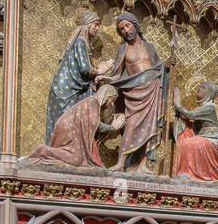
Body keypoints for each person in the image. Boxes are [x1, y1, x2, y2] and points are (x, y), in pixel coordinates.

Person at [98, 12, 166, 173]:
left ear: (134, 25)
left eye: (127, 26)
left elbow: (159, 67)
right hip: (135, 92)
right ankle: (121, 163)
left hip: (154, 89)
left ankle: (143, 165)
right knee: (132, 125)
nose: (125, 31)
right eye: (121, 29)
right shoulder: (123, 48)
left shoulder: (149, 46)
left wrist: (167, 65)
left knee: (151, 127)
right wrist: (104, 77)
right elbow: (118, 73)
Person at [45, 10, 106, 150]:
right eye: (96, 24)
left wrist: (96, 76)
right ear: (86, 24)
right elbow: (85, 69)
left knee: (65, 124)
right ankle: (60, 154)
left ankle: (61, 153)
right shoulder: (80, 41)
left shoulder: (81, 43)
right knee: (67, 124)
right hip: (66, 90)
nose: (98, 28)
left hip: (66, 88)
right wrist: (100, 70)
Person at [29, 83, 124, 168]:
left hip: (69, 129)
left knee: (79, 159)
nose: (112, 104)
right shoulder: (93, 103)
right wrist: (113, 127)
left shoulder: (94, 104)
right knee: (77, 159)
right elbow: (96, 125)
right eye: (112, 100)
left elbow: (92, 126)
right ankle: (43, 150)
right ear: (106, 96)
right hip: (68, 129)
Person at [171, 81, 218, 184]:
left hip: (211, 139)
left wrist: (178, 105)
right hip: (204, 137)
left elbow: (192, 115)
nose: (199, 88)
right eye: (199, 87)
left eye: (203, 88)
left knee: (189, 143)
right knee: (186, 142)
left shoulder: (209, 107)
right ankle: (188, 172)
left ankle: (193, 173)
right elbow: (193, 120)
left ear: (209, 94)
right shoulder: (203, 108)